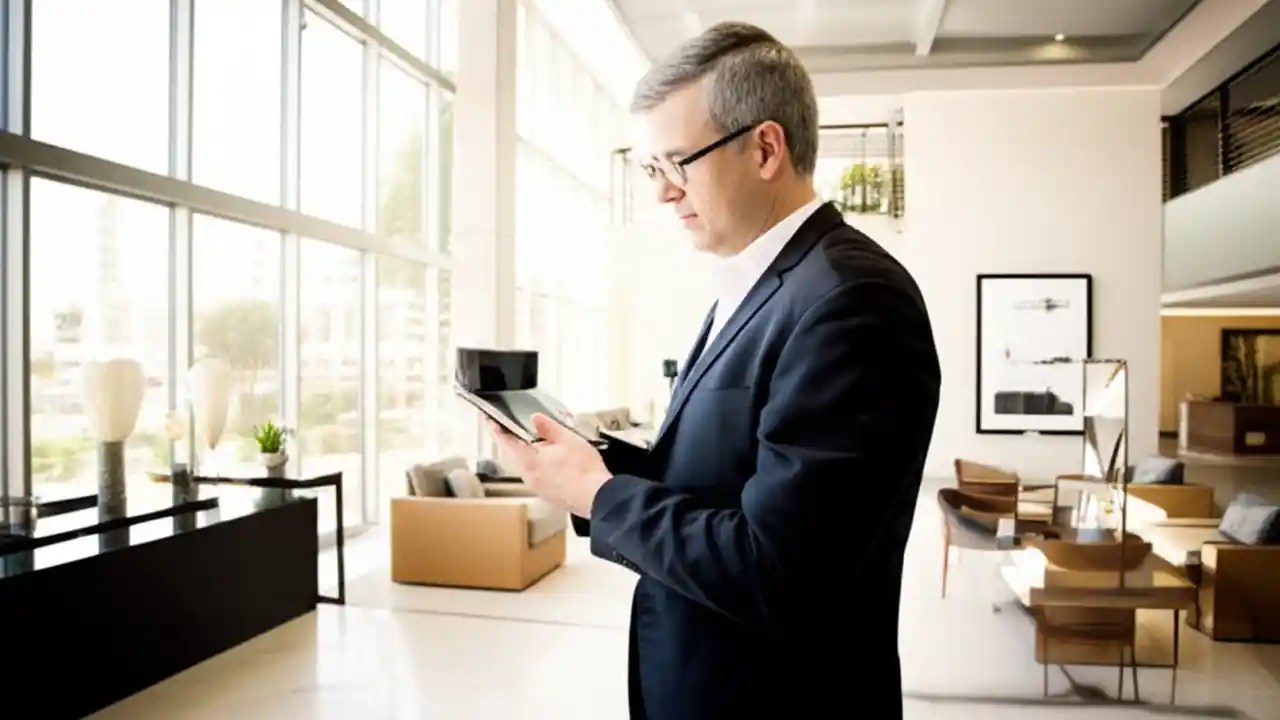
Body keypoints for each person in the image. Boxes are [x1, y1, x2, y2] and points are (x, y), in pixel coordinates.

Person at [486, 20, 940, 720]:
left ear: (765, 148)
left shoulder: (852, 302)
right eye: (651, 170)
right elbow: (721, 477)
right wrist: (590, 463)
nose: (665, 193)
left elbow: (776, 568)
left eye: (677, 163)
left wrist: (597, 496)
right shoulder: (766, 285)